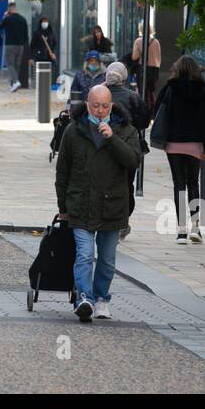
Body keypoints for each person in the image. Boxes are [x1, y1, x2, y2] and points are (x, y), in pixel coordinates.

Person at [55, 84, 140, 322]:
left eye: (105, 106)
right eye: (95, 105)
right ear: (87, 103)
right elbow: (63, 172)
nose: (100, 111)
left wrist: (112, 139)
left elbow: (133, 162)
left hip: (112, 206)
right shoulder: (74, 130)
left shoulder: (126, 130)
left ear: (111, 106)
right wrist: (63, 207)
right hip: (80, 204)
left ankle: (102, 298)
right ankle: (84, 298)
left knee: (106, 259)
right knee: (83, 254)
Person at [152, 55, 205, 244]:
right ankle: (196, 227)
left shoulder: (170, 88)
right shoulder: (204, 92)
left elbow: (157, 110)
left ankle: (181, 230)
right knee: (193, 183)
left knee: (179, 184)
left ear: (178, 69)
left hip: (173, 143)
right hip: (195, 144)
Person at [103, 62, 151, 241]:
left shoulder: (100, 94)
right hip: (129, 148)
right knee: (126, 185)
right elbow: (145, 121)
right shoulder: (133, 97)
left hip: (102, 146)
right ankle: (122, 221)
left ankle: (108, 219)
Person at [122, 28, 162, 107]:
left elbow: (134, 57)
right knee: (151, 92)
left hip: (143, 69)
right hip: (154, 70)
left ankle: (145, 110)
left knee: (143, 92)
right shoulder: (156, 42)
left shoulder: (138, 41)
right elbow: (159, 58)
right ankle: (152, 111)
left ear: (140, 30)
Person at [0, 2, 30, 92]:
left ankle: (15, 81)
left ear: (9, 9)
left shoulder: (8, 19)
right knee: (17, 66)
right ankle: (13, 85)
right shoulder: (23, 19)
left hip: (10, 45)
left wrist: (4, 17)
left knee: (10, 64)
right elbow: (25, 34)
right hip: (20, 46)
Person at [30, 15, 58, 88]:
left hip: (48, 56)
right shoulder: (37, 33)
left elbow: (54, 43)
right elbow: (32, 45)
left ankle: (47, 84)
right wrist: (31, 57)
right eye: (43, 21)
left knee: (48, 71)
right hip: (39, 56)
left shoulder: (51, 33)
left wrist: (53, 52)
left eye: (46, 21)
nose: (45, 23)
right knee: (39, 71)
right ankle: (39, 85)